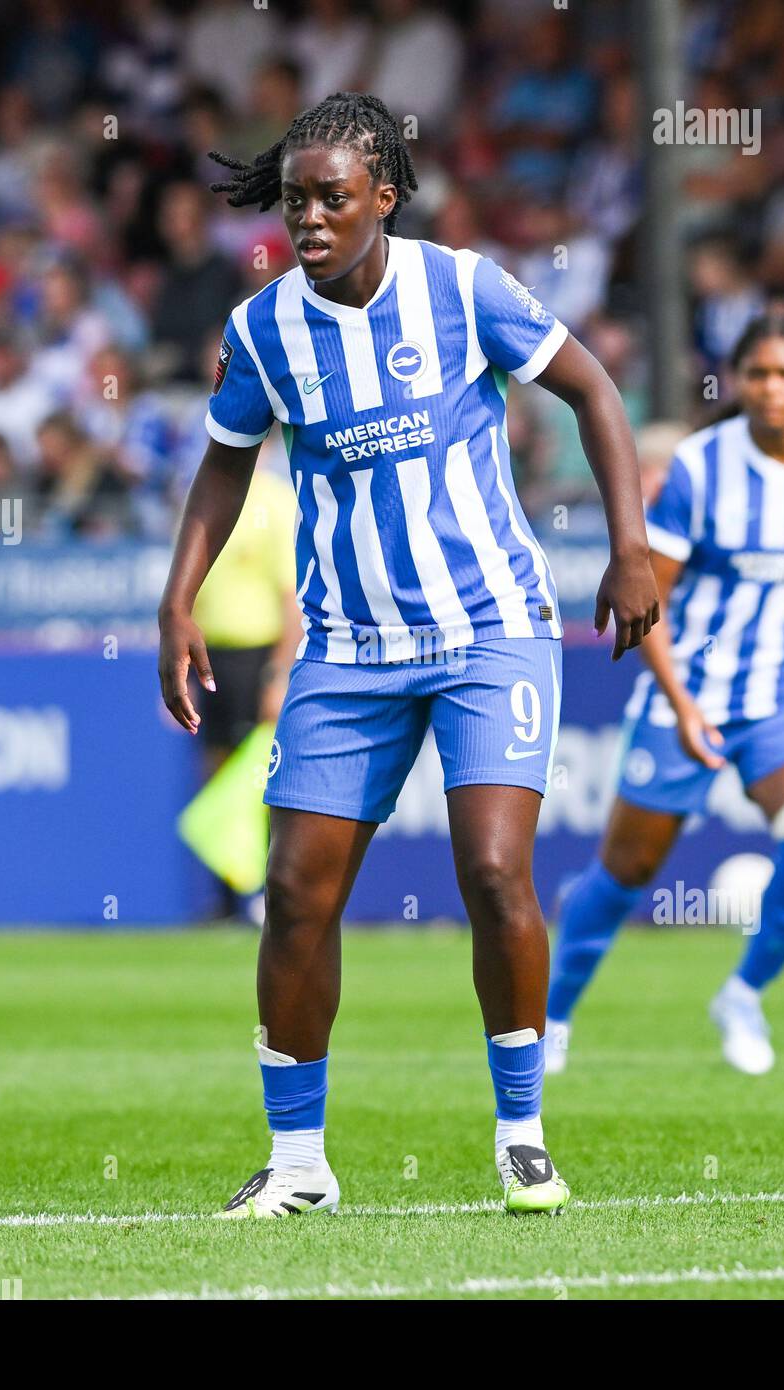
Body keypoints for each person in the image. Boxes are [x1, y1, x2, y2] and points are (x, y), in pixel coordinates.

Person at [157, 91, 657, 1217]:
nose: (310, 218)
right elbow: (226, 462)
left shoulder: (466, 289)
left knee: (493, 871)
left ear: (384, 195)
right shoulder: (263, 331)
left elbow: (592, 389)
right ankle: (299, 1164)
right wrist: (177, 599)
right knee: (295, 891)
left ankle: (522, 1136)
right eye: (295, 201)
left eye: (332, 198)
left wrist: (630, 548)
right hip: (347, 646)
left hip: (490, 626)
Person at [546, 312, 784, 1077]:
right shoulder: (699, 468)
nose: (771, 388)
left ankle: (743, 993)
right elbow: (648, 599)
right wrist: (682, 702)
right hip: (689, 692)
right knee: (625, 871)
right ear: (739, 381)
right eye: (757, 373)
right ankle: (550, 1019)